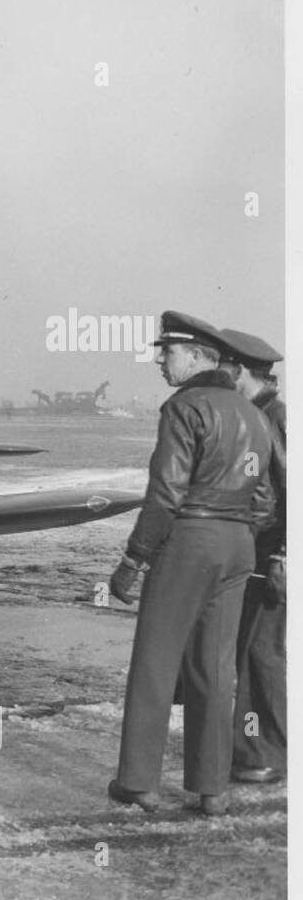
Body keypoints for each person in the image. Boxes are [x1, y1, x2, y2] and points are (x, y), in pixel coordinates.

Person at [107, 311, 274, 816]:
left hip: (189, 542)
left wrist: (133, 560)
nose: (160, 359)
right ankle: (211, 789)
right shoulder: (254, 414)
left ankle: (138, 781)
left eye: (168, 351)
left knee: (156, 662)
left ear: (200, 357)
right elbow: (264, 500)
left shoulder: (185, 408)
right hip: (237, 546)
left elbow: (164, 495)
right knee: (215, 668)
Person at [218, 327, 286, 783]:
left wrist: (282, 555)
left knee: (262, 653)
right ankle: (258, 750)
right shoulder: (262, 413)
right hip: (262, 551)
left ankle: (266, 754)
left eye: (223, 368)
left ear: (240, 370)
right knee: (257, 652)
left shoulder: (272, 418)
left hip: (271, 554)